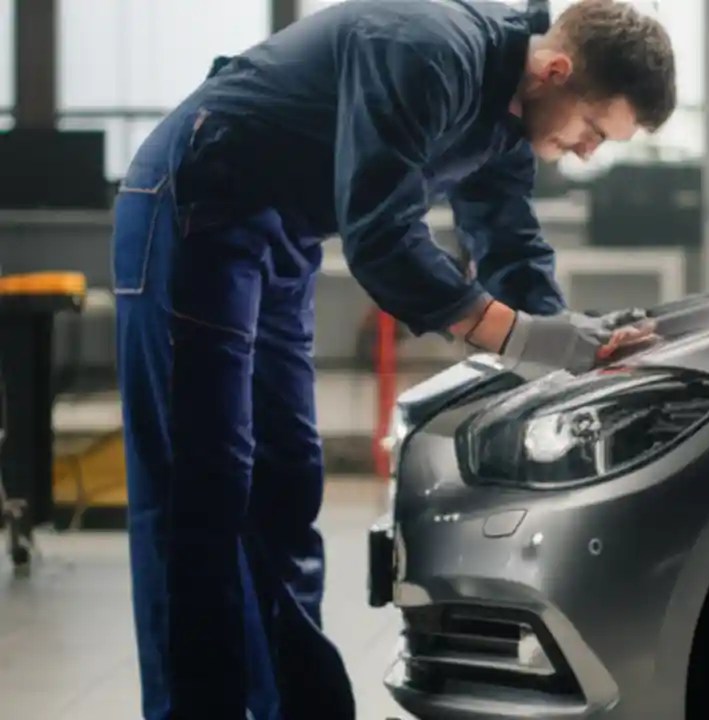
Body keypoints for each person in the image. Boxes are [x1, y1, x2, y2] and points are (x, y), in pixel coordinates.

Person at [110, 0, 676, 717]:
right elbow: (382, 235)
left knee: (284, 482)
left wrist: (569, 344)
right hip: (193, 202)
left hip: (280, 230)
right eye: (593, 131)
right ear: (556, 70)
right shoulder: (425, 51)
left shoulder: (514, 110)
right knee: (202, 485)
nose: (589, 153)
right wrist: (526, 340)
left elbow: (505, 237)